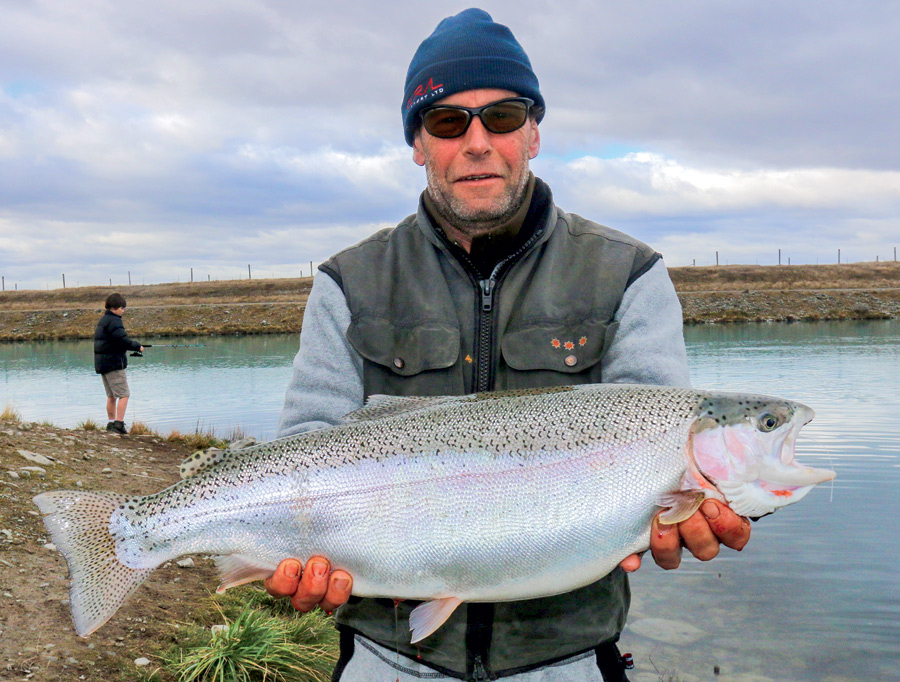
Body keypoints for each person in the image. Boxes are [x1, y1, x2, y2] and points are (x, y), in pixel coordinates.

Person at [268, 9, 750, 682]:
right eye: (446, 122)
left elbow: (666, 456)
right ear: (417, 144)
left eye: (500, 117)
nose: (476, 142)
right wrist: (295, 559)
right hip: (386, 658)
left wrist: (685, 515)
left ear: (533, 133)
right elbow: (306, 442)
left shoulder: (628, 274)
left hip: (568, 659)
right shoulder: (347, 281)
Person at [93, 293, 143, 434]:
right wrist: (137, 346)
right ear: (114, 308)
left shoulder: (103, 320)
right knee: (124, 394)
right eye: (122, 308)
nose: (123, 311)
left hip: (103, 364)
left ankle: (111, 423)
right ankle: (119, 424)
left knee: (111, 396)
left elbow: (113, 341)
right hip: (114, 364)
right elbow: (122, 340)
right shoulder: (115, 321)